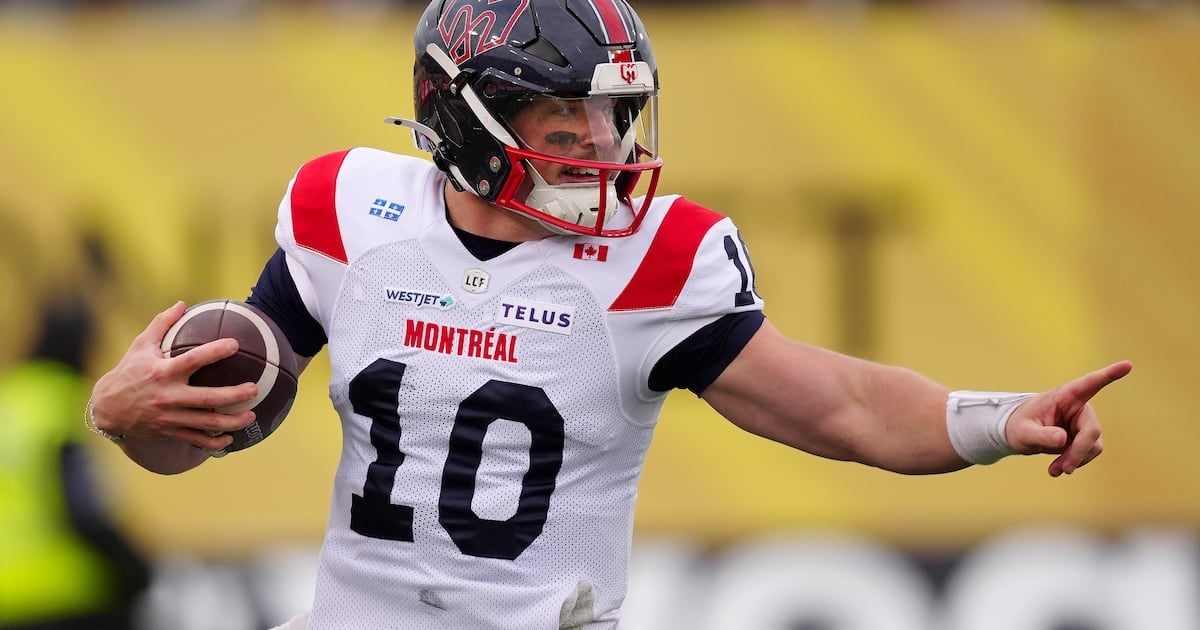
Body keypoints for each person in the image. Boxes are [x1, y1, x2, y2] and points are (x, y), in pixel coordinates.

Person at [86, 0, 1132, 628]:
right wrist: (122, 415)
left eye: (614, 110)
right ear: (465, 112)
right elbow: (195, 441)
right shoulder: (347, 213)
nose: (602, 139)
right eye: (565, 112)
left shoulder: (657, 260)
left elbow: (848, 407)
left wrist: (1001, 421)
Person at [1, 294, 151, 630]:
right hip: (70, 595)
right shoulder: (64, 405)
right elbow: (84, 508)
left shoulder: (8, 397)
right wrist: (135, 570)